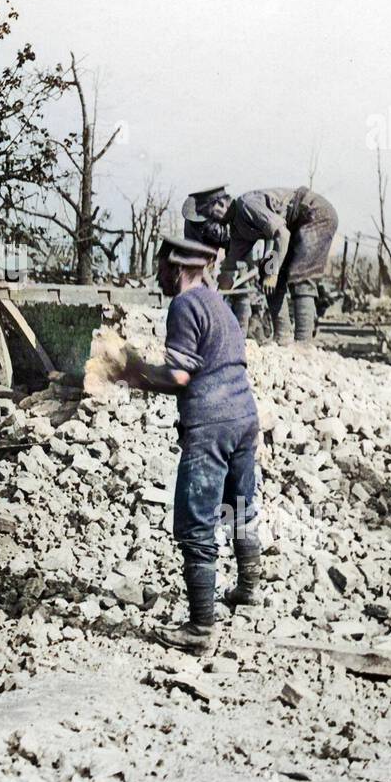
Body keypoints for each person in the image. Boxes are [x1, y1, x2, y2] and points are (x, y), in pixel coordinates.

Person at [122, 234, 262, 655]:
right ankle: (248, 590)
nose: (158, 275)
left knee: (195, 521)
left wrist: (133, 371)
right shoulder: (218, 303)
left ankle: (201, 629)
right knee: (238, 504)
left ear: (180, 268)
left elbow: (180, 376)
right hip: (244, 415)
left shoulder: (183, 305)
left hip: (211, 423)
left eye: (162, 267)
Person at [185, 184, 339, 344]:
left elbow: (282, 235)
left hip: (313, 214)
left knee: (301, 275)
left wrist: (273, 273)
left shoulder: (247, 205)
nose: (211, 221)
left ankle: (303, 342)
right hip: (294, 226)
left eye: (210, 214)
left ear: (221, 204)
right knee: (267, 270)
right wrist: (222, 284)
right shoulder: (237, 228)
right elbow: (231, 262)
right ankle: (282, 335)